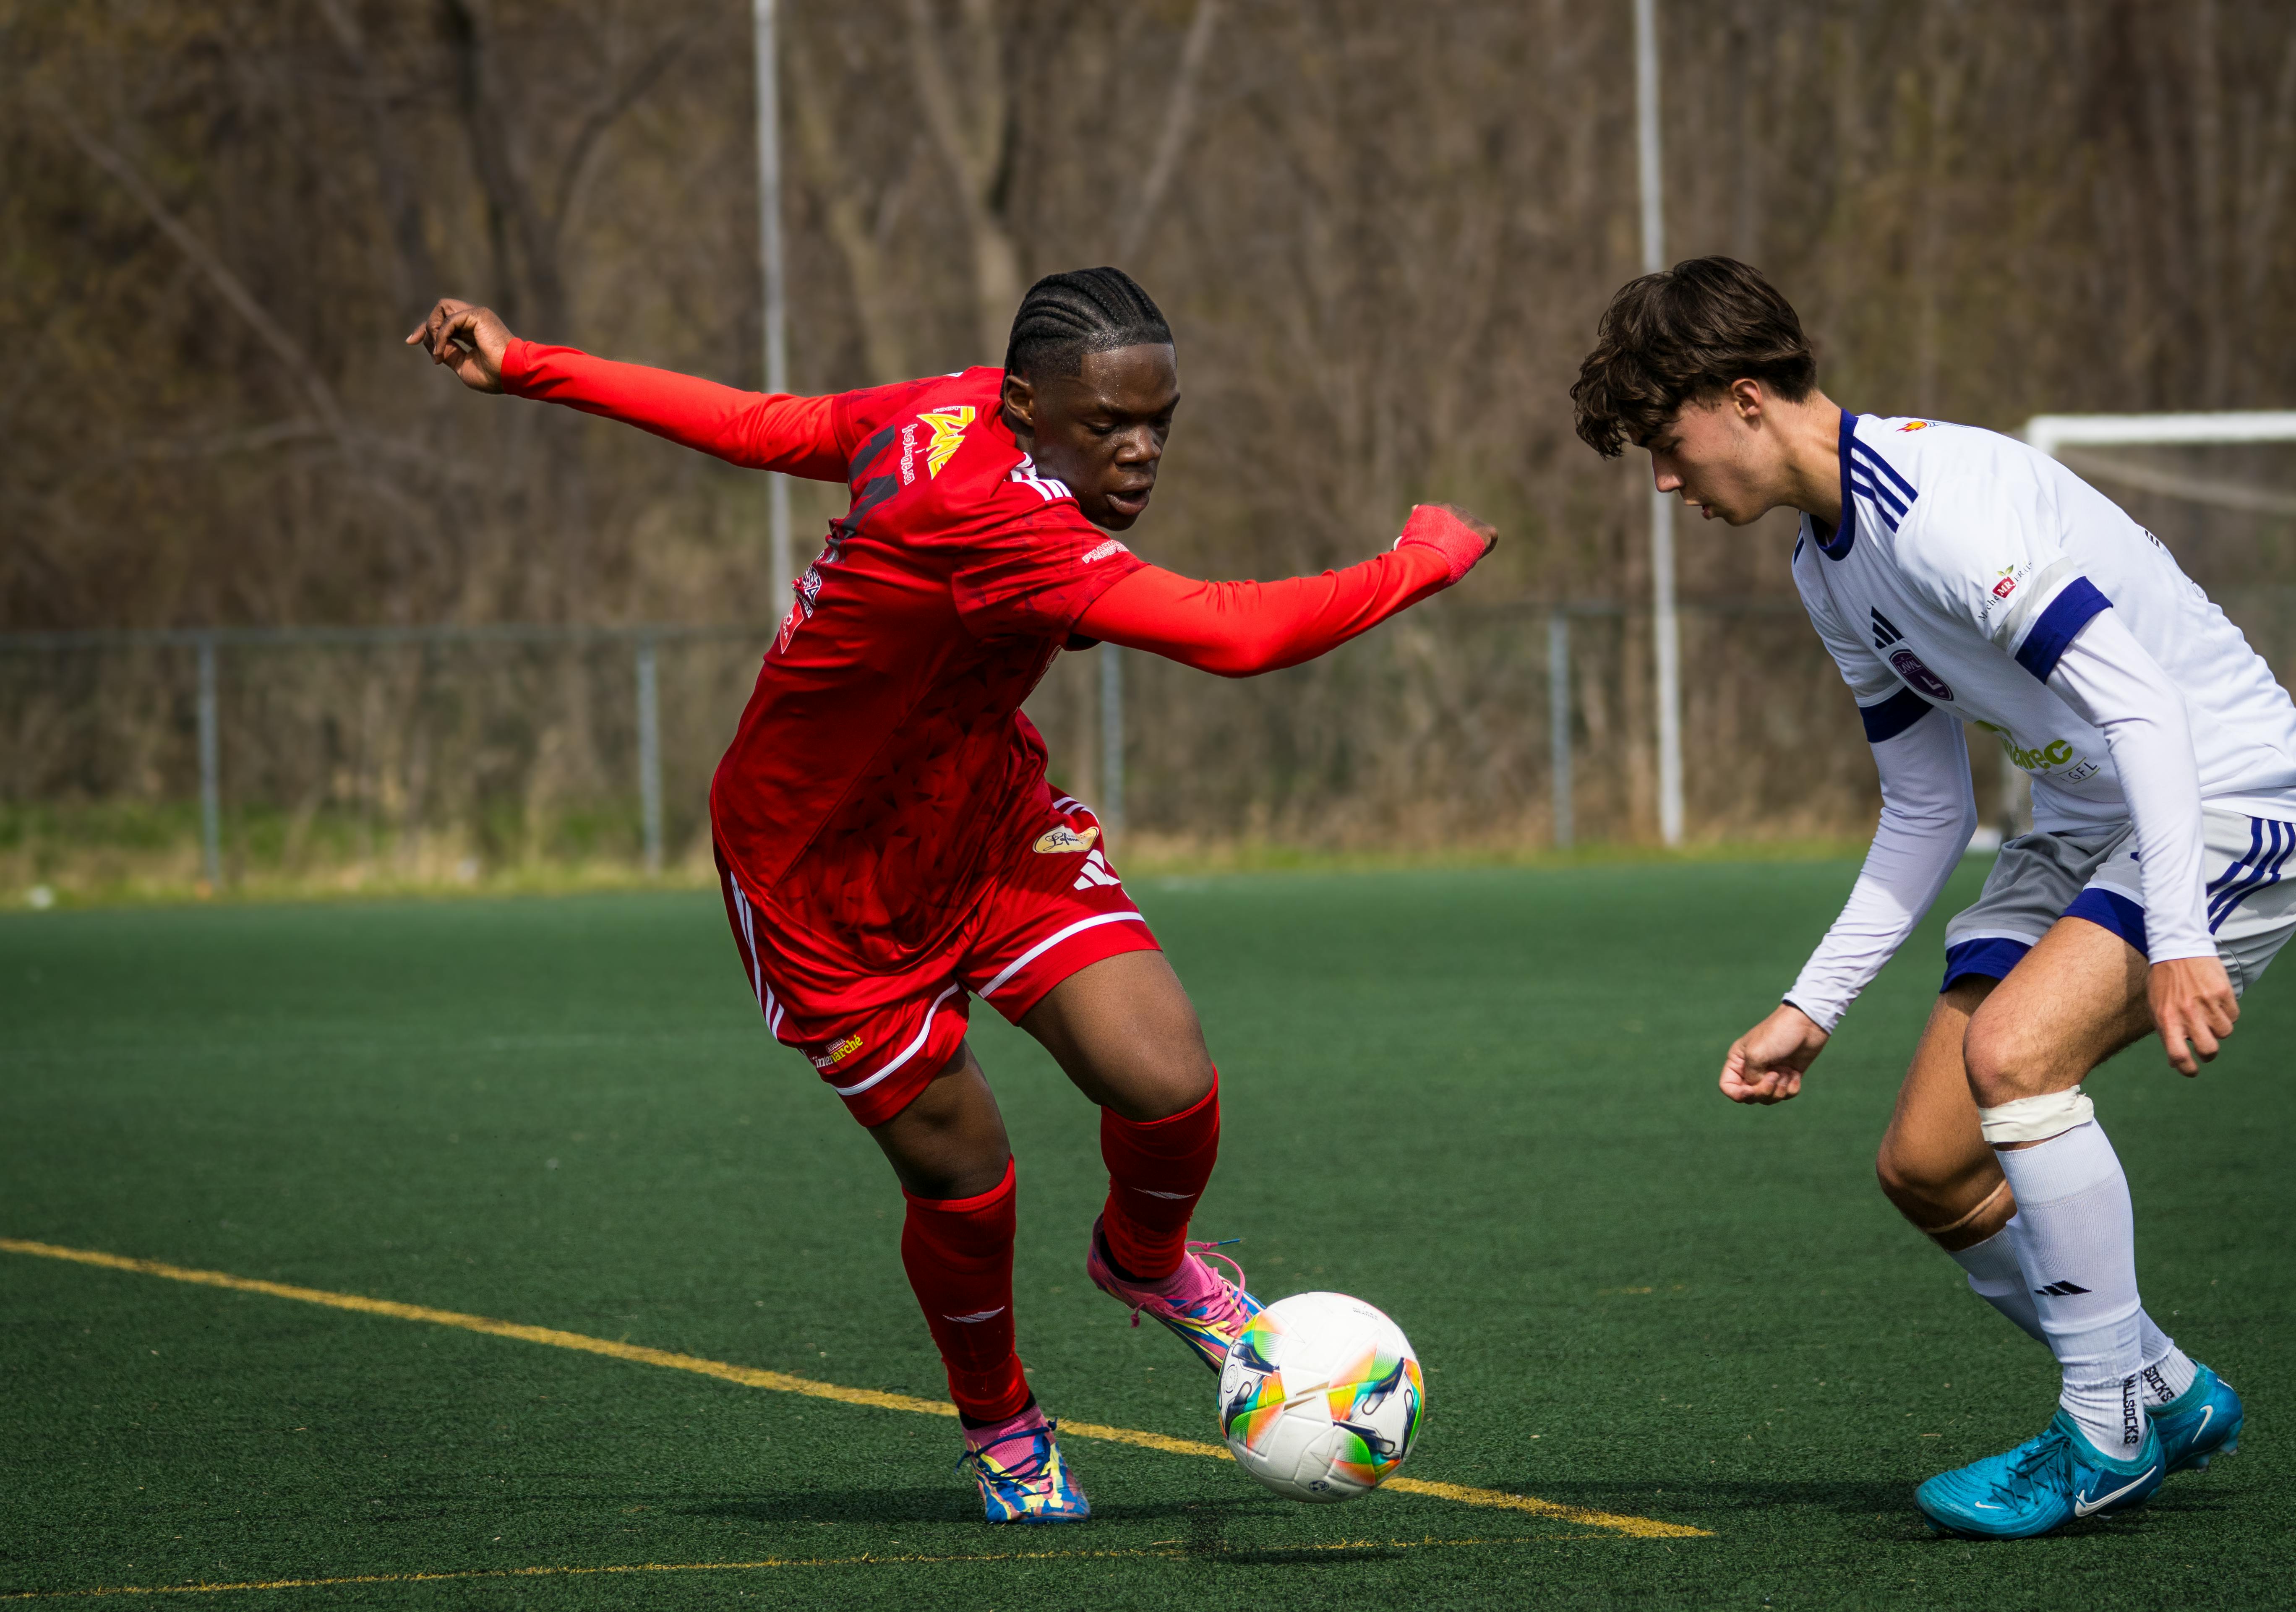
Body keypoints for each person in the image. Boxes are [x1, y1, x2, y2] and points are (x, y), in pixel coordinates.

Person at [409, 267, 1495, 1524]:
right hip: (821, 879)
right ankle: (1003, 1422)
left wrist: (533, 359)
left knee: (1170, 1079)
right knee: (969, 1174)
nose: (1141, 452)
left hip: (977, 811)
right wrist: (1419, 561)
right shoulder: (996, 521)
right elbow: (1232, 633)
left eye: (1161, 420)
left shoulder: (952, 408)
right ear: (1028, 405)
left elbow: (766, 424)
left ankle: (1145, 1263)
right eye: (1109, 427)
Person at [1571, 256, 2291, 1539]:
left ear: (1747, 398)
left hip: (2230, 792)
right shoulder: (1824, 565)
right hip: (2083, 817)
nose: (1669, 484)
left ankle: (2103, 1429)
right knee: (1932, 1167)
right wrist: (1815, 1003)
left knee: (2017, 1058)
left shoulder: (1939, 506)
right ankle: (2166, 1391)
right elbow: (1927, 804)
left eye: (1669, 448)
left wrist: (2181, 935)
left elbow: (2146, 706)